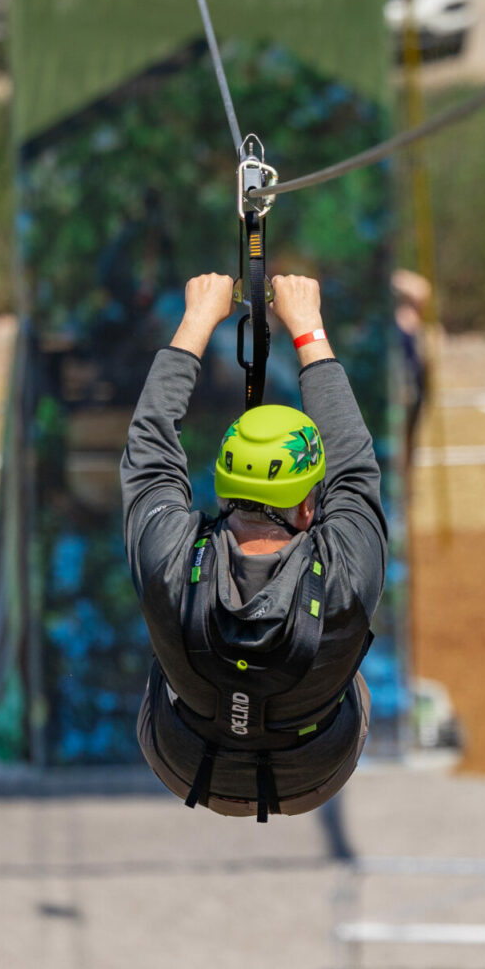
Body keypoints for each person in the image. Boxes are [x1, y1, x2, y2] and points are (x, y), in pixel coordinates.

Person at [122, 273, 388, 820]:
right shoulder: (349, 572)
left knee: (164, 630)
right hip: (315, 773)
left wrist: (197, 319)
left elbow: (150, 446)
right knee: (351, 658)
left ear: (223, 484)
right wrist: (308, 327)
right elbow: (354, 465)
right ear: (310, 507)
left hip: (184, 763)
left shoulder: (167, 556)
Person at [392, 268, 431, 468]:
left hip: (411, 389)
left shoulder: (406, 314)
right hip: (393, 392)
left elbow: (422, 289)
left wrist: (391, 278)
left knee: (407, 449)